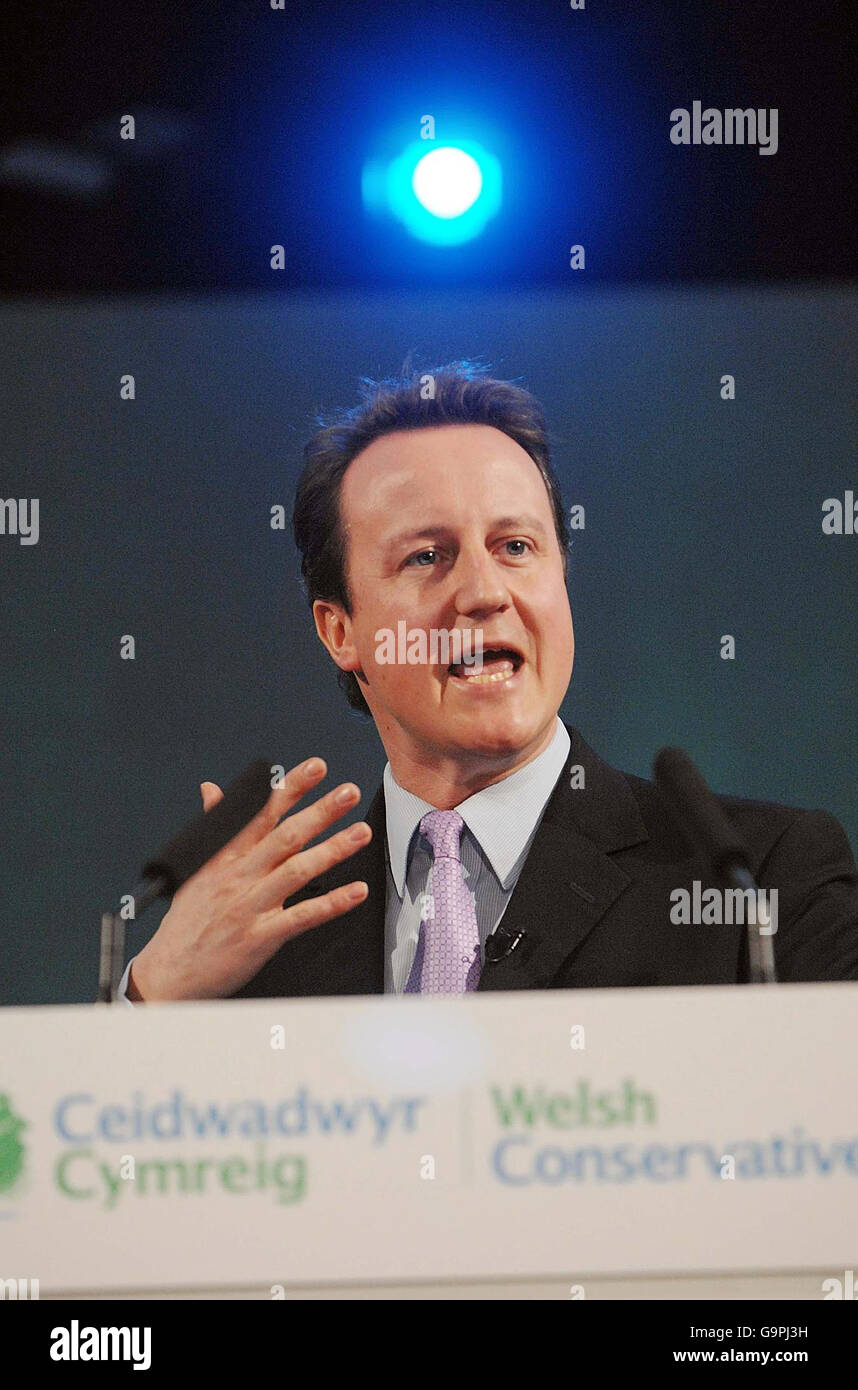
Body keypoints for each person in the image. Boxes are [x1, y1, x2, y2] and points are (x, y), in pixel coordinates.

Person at [120, 361, 858, 1002]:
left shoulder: (751, 883)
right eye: (426, 557)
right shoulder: (262, 927)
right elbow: (100, 1155)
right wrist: (152, 993)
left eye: (515, 546)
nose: (483, 590)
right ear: (340, 630)